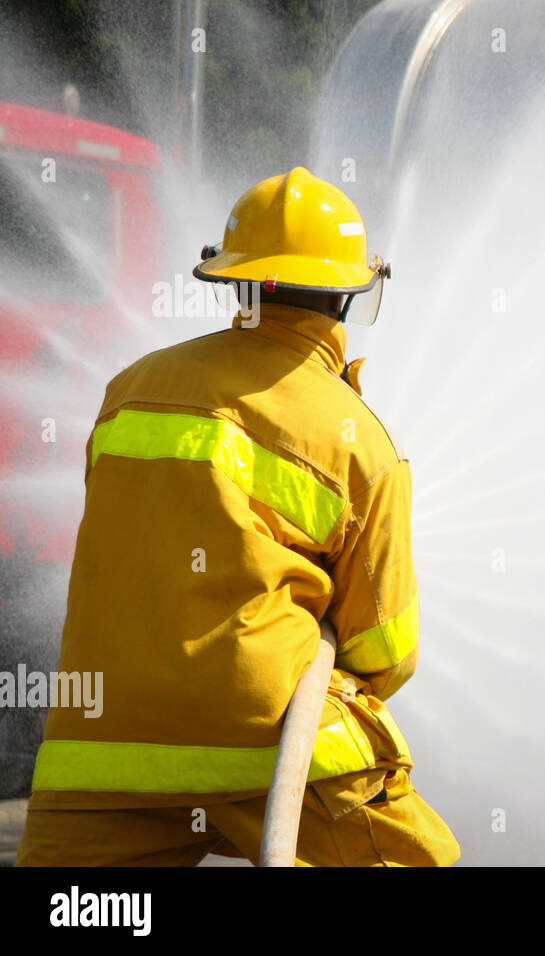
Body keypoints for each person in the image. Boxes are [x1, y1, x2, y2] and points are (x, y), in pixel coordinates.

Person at [16, 167, 459, 866]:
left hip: (102, 747)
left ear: (238, 283)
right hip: (275, 742)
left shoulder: (130, 389)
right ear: (348, 295)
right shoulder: (359, 440)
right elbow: (385, 651)